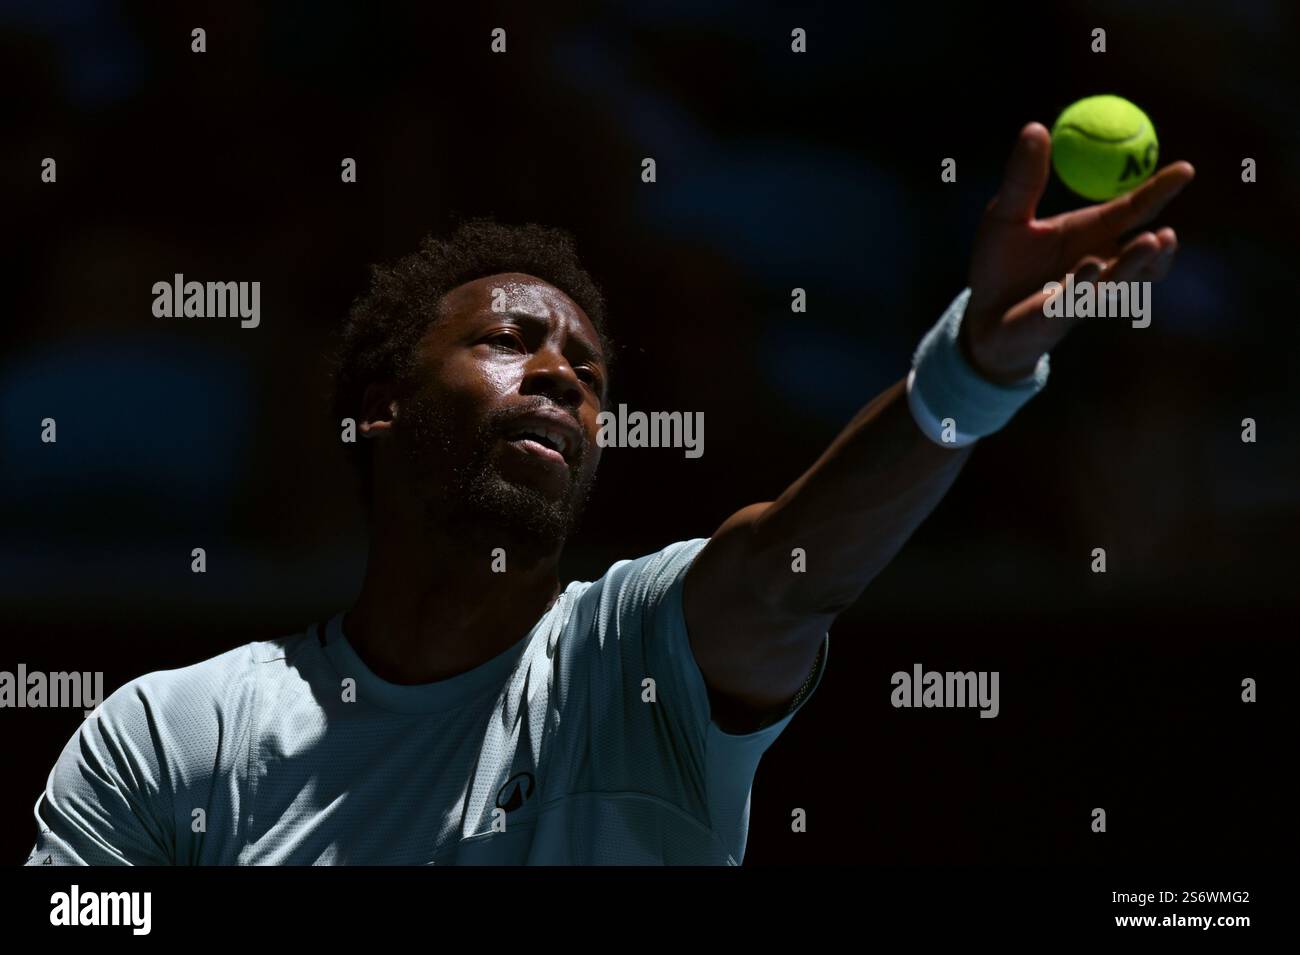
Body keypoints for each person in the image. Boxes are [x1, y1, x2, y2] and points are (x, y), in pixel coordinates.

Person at [25, 124, 1193, 865]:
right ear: (381, 403)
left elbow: (790, 575)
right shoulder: (169, 734)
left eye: (587, 375)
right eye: (510, 340)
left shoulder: (631, 656)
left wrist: (973, 373)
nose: (559, 377)